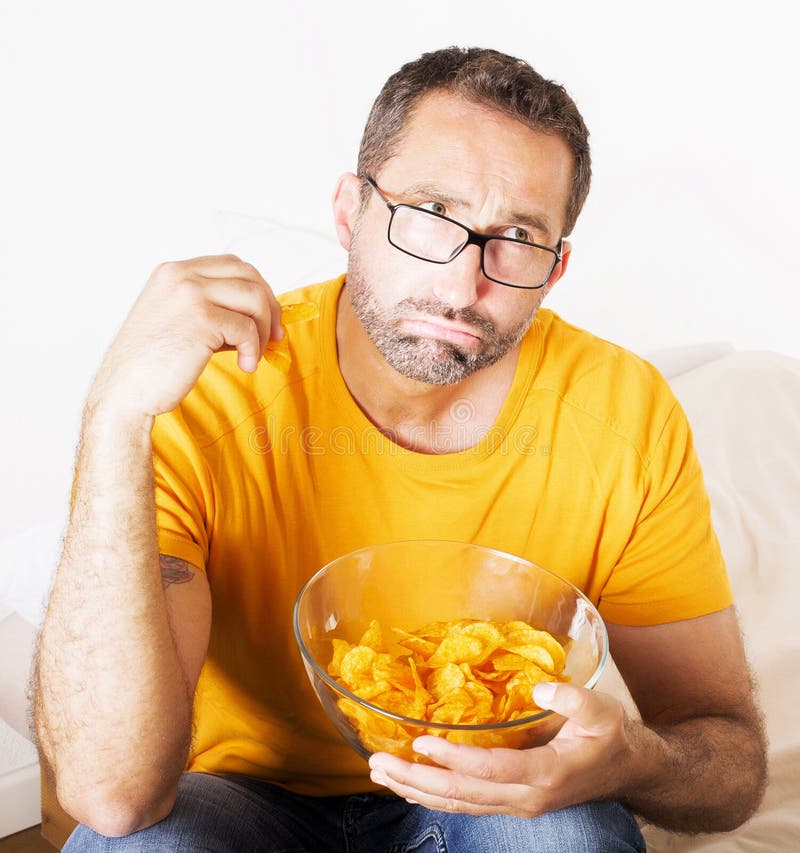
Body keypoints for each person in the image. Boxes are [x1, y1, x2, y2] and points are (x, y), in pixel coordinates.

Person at [34, 46, 766, 852]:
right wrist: (113, 413)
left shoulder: (624, 414)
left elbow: (728, 768)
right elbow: (112, 793)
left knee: (569, 835)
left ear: (555, 269)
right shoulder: (211, 385)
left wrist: (629, 759)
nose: (462, 282)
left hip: (491, 790)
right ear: (351, 211)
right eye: (428, 211)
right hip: (234, 796)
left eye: (516, 235)